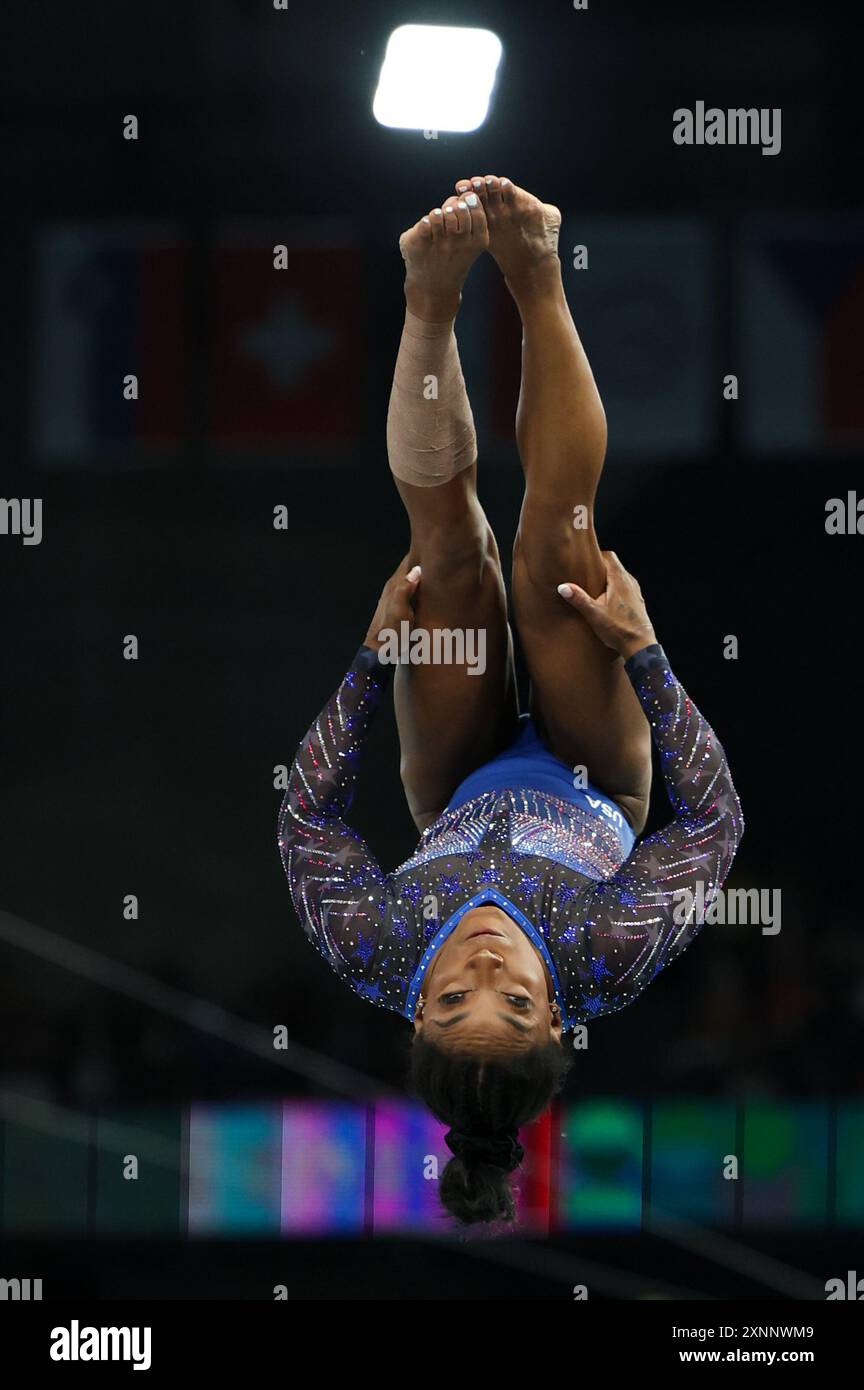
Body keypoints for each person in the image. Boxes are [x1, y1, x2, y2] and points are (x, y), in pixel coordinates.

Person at [278, 177, 743, 1226]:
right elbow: (716, 819)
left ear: (416, 1010)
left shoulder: (378, 943)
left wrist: (368, 661)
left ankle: (430, 304)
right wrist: (649, 655)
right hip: (592, 772)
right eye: (516, 1000)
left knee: (448, 562)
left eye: (453, 1000)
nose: (484, 969)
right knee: (557, 552)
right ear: (556, 1018)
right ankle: (538, 275)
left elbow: (305, 814)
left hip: (452, 777)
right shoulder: (612, 948)